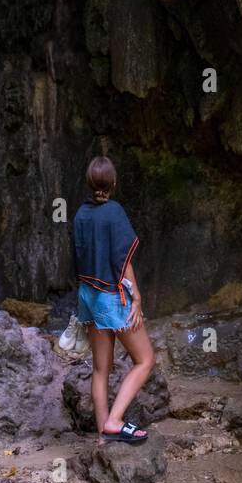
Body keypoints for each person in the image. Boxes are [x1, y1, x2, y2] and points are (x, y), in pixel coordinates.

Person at [73, 155, 155, 445]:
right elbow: (123, 261)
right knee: (145, 360)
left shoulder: (81, 214)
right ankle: (115, 421)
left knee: (100, 369)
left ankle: (102, 437)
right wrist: (137, 298)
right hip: (113, 296)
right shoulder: (114, 212)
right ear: (114, 183)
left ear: (89, 183)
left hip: (89, 296)